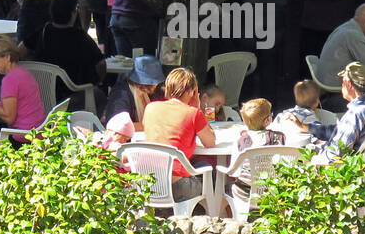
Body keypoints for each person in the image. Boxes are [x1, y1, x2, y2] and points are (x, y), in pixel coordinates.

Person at [143, 67, 216, 202]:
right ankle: (213, 212)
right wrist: (198, 108)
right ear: (190, 91)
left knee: (199, 164)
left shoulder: (150, 108)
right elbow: (210, 142)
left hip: (149, 183)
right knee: (212, 173)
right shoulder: (193, 113)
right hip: (177, 186)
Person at [34, 0, 105, 108]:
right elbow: (101, 64)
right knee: (99, 97)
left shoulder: (43, 32)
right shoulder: (81, 37)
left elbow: (21, 50)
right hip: (72, 97)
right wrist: (97, 81)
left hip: (41, 94)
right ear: (73, 14)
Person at [0, 35, 46, 143]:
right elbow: (18, 105)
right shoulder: (25, 73)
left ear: (7, 57)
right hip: (38, 130)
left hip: (24, 135)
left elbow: (9, 117)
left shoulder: (9, 80)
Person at [313, 62, 365, 162]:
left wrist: (312, 151)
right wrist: (310, 128)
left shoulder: (355, 114)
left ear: (348, 84)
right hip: (361, 168)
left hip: (339, 170)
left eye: (342, 82)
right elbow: (342, 132)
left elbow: (336, 153)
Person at [228, 98, 288, 202]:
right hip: (272, 190)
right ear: (267, 120)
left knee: (229, 186)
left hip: (245, 193)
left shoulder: (241, 141)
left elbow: (234, 172)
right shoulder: (279, 137)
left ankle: (236, 215)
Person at [105, 55, 165, 130]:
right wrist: (149, 126)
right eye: (154, 83)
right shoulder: (121, 94)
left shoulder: (155, 91)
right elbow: (116, 126)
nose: (156, 85)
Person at [275, 79, 336, 144]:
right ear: (317, 101)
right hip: (299, 150)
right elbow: (319, 136)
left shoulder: (283, 114)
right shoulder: (310, 118)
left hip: (280, 148)